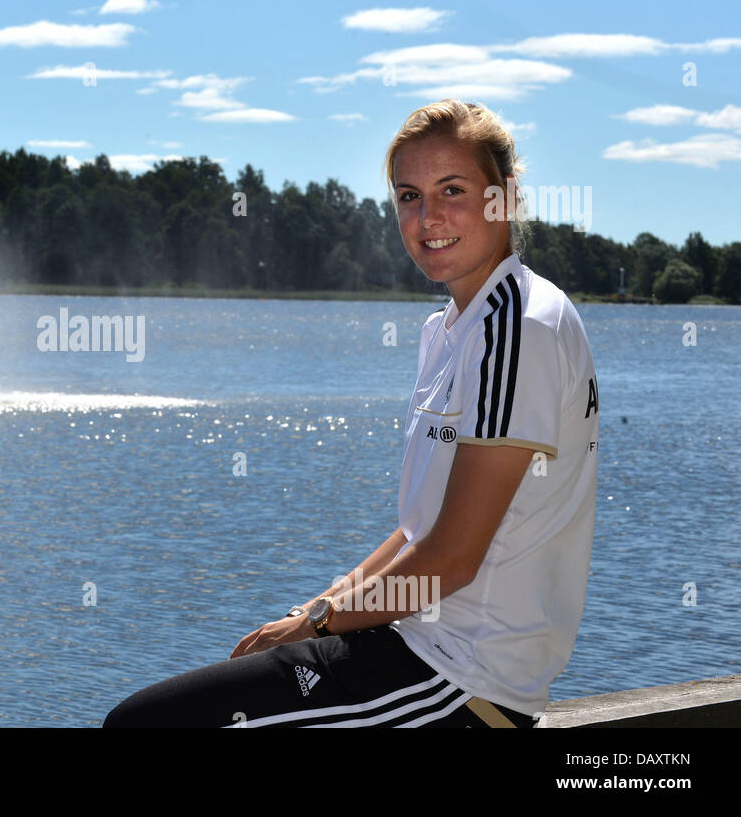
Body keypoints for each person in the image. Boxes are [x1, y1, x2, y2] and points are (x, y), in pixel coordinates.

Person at [103, 99, 599, 728]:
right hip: (412, 641)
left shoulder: (517, 326)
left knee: (148, 726)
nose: (428, 217)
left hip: (461, 678)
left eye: (453, 190)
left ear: (503, 198)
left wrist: (318, 623)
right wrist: (322, 602)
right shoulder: (452, 329)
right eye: (408, 196)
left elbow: (450, 561)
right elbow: (423, 528)